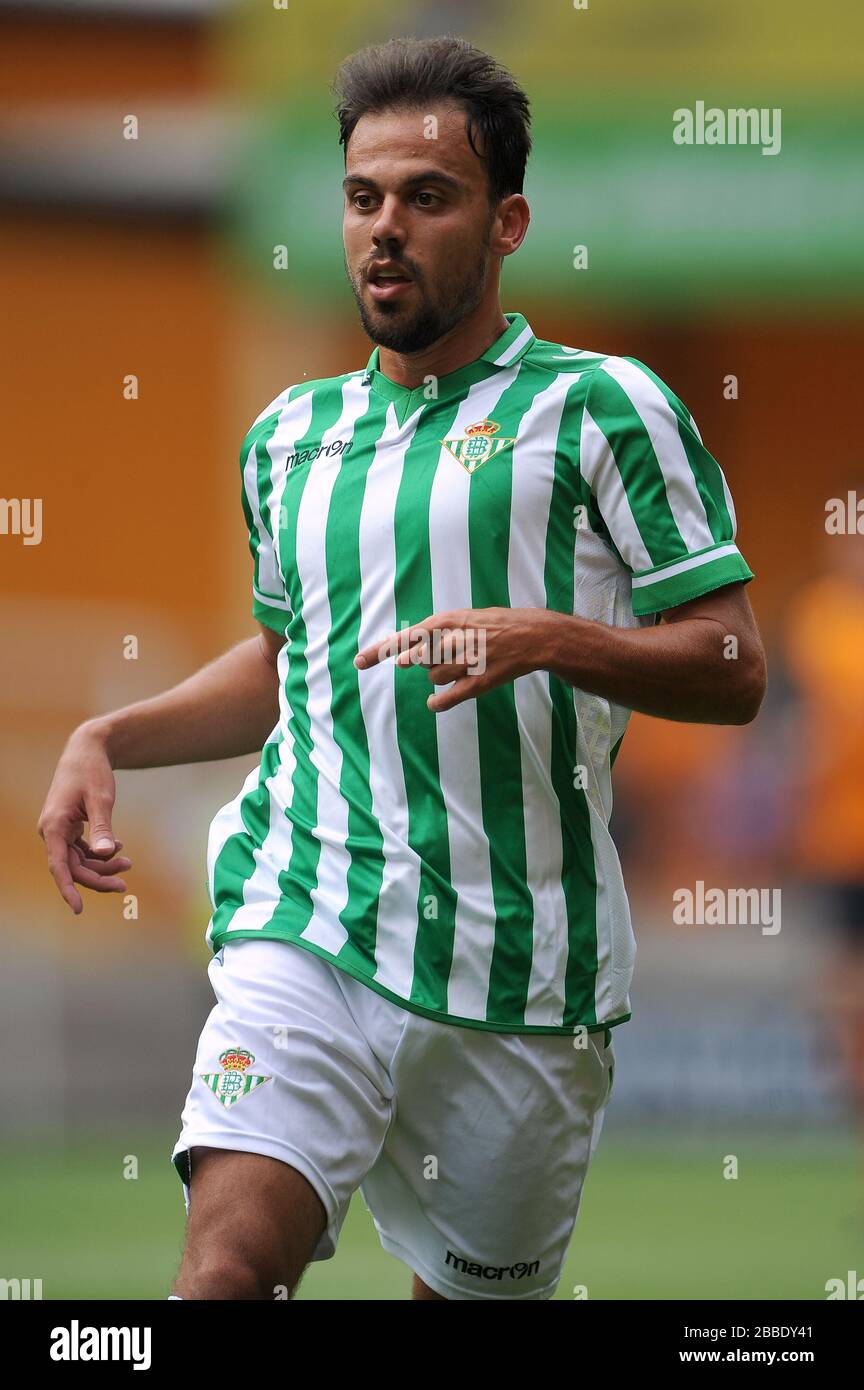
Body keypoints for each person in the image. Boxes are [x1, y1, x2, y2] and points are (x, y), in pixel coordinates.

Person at [37, 36, 766, 1301]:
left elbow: (733, 663)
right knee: (221, 1271)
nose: (386, 229)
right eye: (364, 197)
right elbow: (291, 662)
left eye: (428, 198)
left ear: (507, 222)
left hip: (523, 972)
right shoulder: (290, 438)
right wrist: (109, 734)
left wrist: (543, 636)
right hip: (308, 920)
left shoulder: (606, 410)